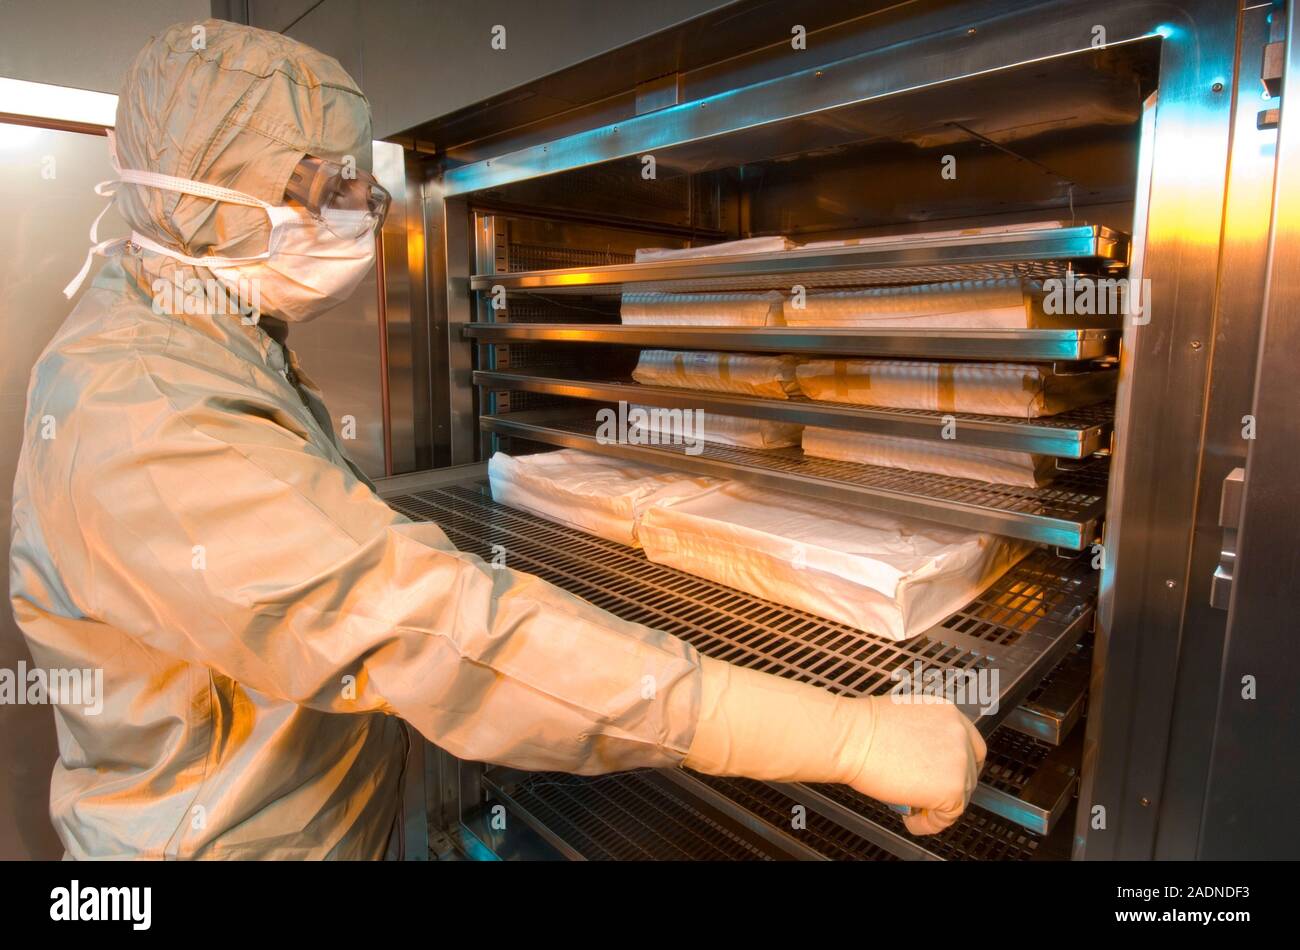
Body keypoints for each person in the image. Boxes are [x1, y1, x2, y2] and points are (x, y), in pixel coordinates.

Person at [9, 19, 985, 859]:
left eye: (359, 185)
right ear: (196, 193)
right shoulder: (143, 404)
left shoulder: (207, 332)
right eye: (323, 189)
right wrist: (850, 737)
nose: (360, 217)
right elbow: (426, 624)